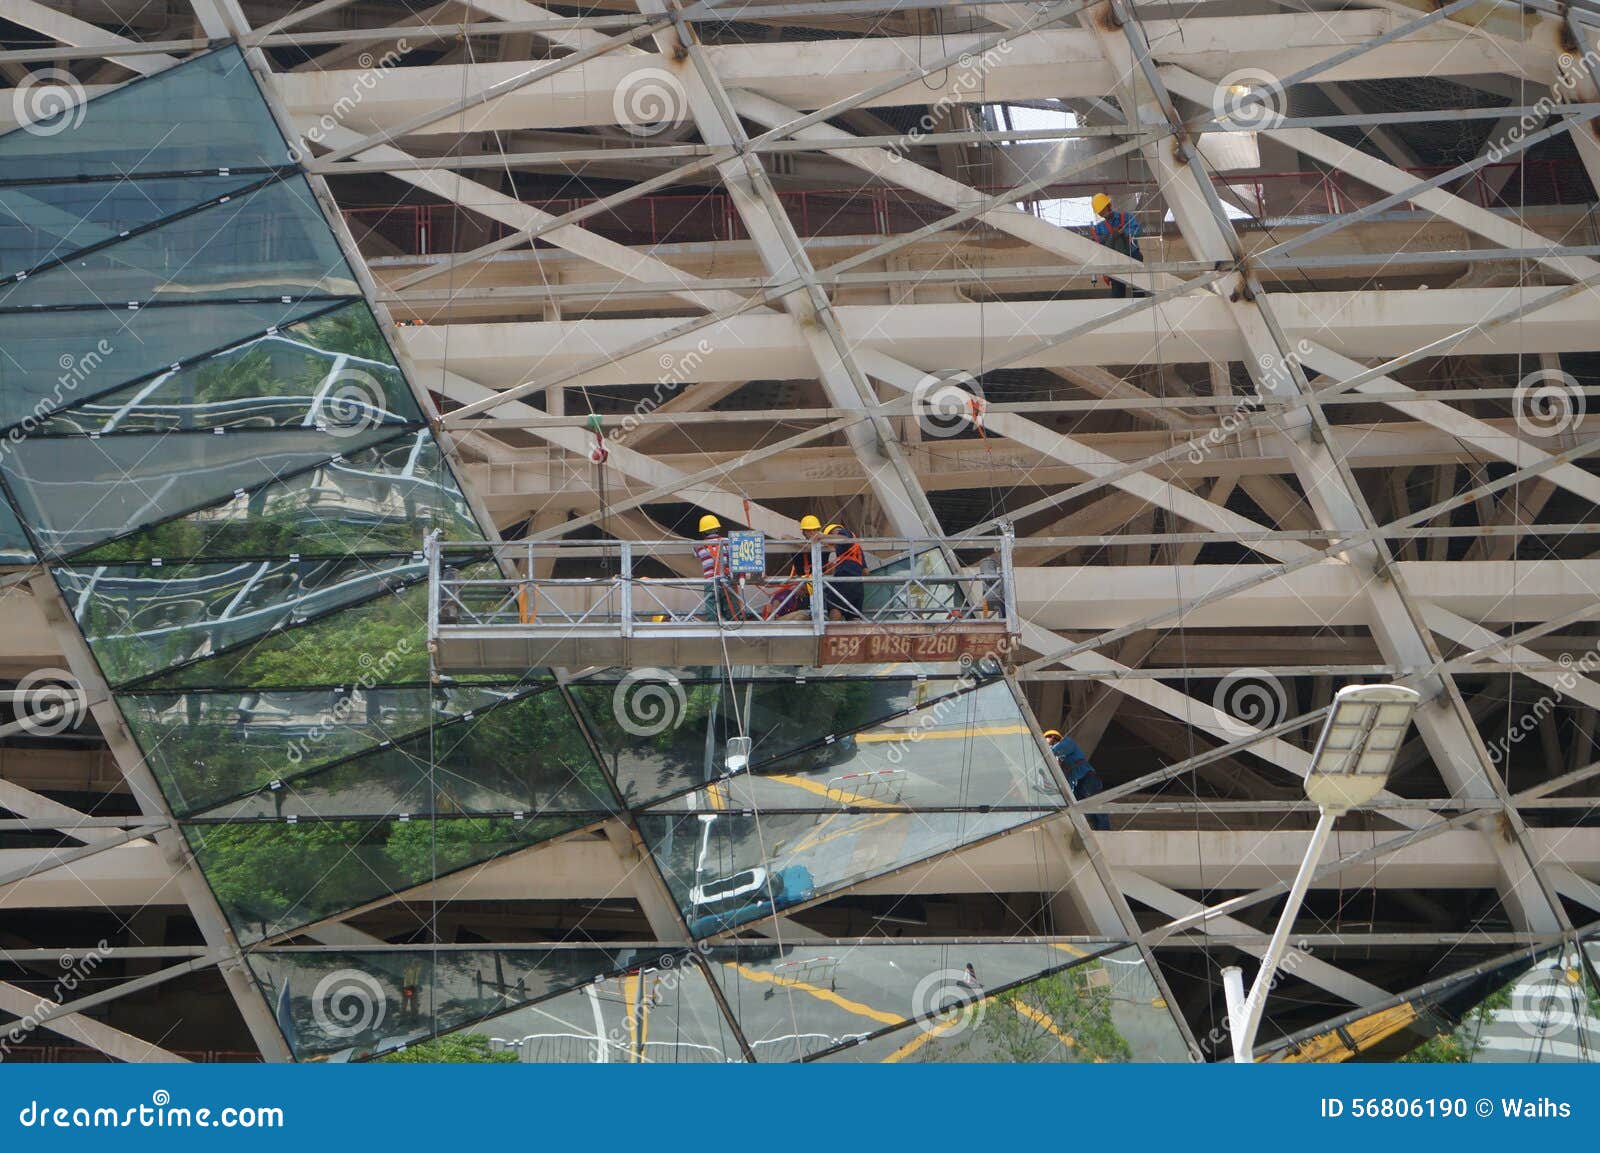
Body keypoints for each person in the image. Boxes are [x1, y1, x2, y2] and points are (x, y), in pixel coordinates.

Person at [1043, 727, 1111, 831]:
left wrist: (1042, 750)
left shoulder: (1067, 743)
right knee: (1081, 808)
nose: (1045, 743)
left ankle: (1105, 829)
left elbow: (1053, 751)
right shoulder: (1058, 756)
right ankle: (1095, 830)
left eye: (1045, 740)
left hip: (1086, 777)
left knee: (1094, 802)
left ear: (1052, 737)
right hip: (1075, 783)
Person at [1089, 193, 1145, 299]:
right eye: (1101, 212)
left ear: (1109, 206)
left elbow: (1138, 231)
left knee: (1138, 291)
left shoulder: (1126, 217)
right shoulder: (1099, 228)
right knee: (1118, 294)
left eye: (1104, 210)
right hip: (1115, 261)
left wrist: (1124, 233)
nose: (1103, 214)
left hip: (1132, 256)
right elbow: (1095, 243)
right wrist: (1110, 236)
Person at [769, 514, 823, 618]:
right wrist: (802, 545)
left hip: (820, 585)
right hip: (802, 585)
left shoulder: (824, 544)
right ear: (803, 532)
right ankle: (774, 617)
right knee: (782, 597)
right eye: (808, 531)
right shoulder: (797, 544)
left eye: (814, 530)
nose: (812, 533)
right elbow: (784, 536)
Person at [693, 513, 741, 621]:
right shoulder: (727, 542)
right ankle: (734, 622)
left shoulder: (698, 546)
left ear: (703, 531)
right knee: (731, 607)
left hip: (710, 581)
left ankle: (713, 624)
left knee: (711, 606)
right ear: (717, 528)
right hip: (726, 579)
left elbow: (695, 553)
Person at [822, 522, 865, 620]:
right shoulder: (857, 549)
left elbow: (844, 539)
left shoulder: (842, 532)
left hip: (844, 581)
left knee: (835, 607)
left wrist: (822, 536)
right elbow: (866, 571)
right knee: (854, 615)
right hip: (858, 586)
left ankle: (833, 633)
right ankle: (857, 635)